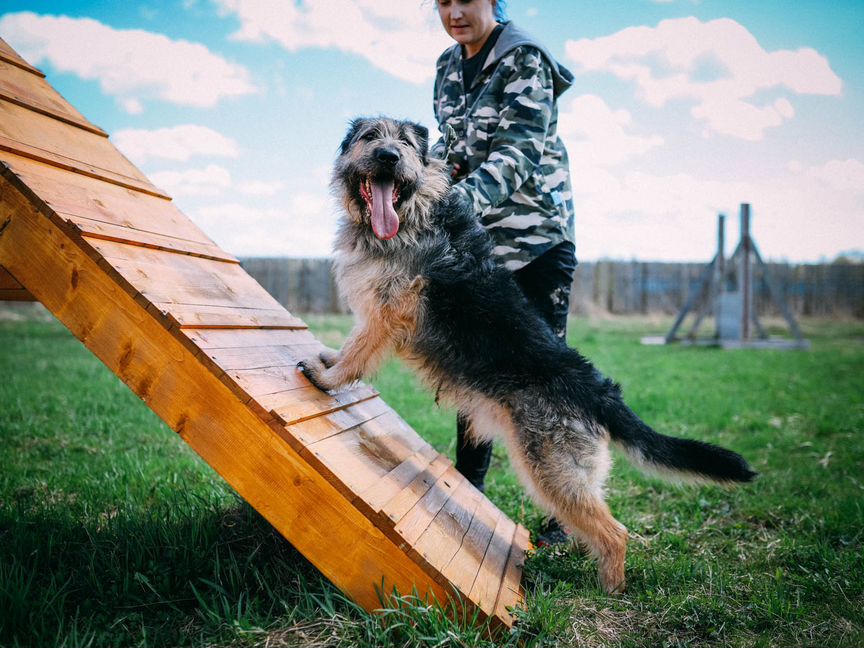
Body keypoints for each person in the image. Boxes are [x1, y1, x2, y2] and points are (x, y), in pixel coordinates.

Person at [431, 0, 577, 546]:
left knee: (542, 379)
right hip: (481, 248)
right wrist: (424, 184)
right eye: (442, 1)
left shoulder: (524, 58)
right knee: (474, 368)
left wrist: (452, 200)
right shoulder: (448, 66)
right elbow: (451, 149)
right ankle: (470, 487)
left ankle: (565, 510)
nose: (453, 12)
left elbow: (519, 153)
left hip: (538, 242)